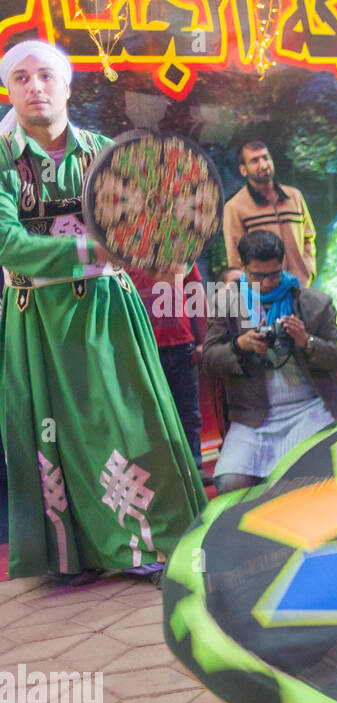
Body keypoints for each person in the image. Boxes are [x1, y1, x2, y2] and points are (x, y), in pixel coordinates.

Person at [0, 40, 205, 583]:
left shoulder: (105, 152)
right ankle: (72, 557)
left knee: (132, 424)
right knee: (57, 435)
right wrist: (99, 250)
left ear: (68, 86)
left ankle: (156, 548)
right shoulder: (0, 156)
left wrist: (173, 251)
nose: (35, 86)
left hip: (110, 311)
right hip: (36, 315)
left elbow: (154, 228)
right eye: (20, 77)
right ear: (9, 89)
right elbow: (7, 243)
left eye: (46, 75)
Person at [202, 230, 337, 493]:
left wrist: (307, 342)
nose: (267, 282)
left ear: (283, 265)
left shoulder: (313, 302)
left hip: (311, 407)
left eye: (274, 274)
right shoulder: (225, 302)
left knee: (319, 477)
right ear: (242, 266)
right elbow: (210, 358)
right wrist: (240, 345)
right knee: (230, 483)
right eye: (257, 276)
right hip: (254, 416)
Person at [125, 263, 210, 483]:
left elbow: (195, 292)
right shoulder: (125, 255)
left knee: (189, 412)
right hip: (144, 349)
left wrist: (204, 341)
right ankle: (164, 476)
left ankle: (195, 466)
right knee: (150, 416)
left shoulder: (180, 252)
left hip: (183, 346)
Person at [222, 141, 317, 286]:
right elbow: (235, 256)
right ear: (243, 170)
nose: (263, 164)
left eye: (266, 158)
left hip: (299, 287)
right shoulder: (234, 207)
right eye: (255, 161)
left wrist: (308, 270)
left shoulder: (294, 196)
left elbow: (308, 237)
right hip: (263, 293)